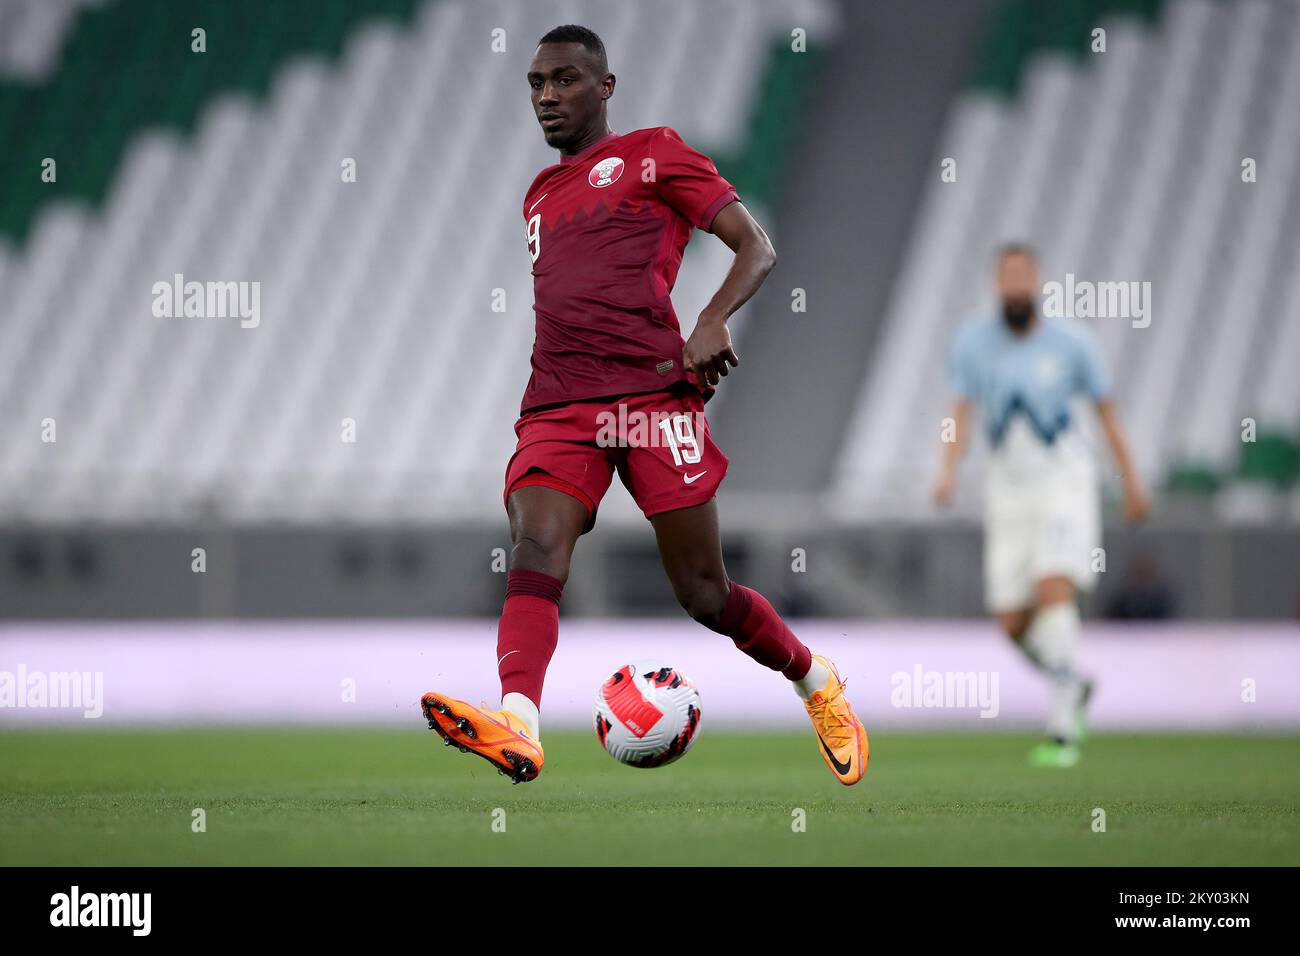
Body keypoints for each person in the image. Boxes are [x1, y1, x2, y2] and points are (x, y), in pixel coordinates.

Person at [420, 25, 868, 785]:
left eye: (564, 79)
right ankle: (519, 723)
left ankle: (815, 681)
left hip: (654, 400)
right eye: (536, 83)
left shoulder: (654, 154)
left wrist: (713, 316)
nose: (547, 96)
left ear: (606, 86)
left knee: (703, 592)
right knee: (535, 545)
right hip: (559, 404)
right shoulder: (537, 195)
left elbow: (755, 246)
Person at [933, 243, 1149, 767]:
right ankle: (1072, 680)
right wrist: (948, 469)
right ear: (996, 285)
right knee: (1011, 621)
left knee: (1053, 584)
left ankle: (1061, 730)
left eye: (1023, 277)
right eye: (1007, 277)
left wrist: (1131, 481)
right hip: (1007, 488)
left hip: (1063, 481)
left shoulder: (1073, 343)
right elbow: (960, 410)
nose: (1015, 287)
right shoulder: (974, 344)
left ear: (1038, 283)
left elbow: (1106, 412)